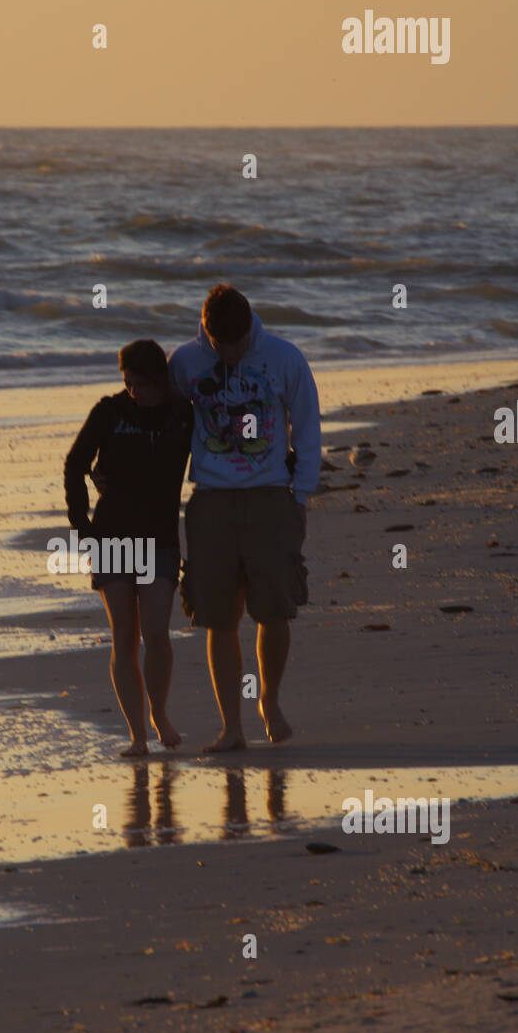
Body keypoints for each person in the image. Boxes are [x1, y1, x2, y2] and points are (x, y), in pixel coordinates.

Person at [168, 283, 321, 750]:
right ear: (207, 332)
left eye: (236, 344)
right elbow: (169, 431)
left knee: (274, 611)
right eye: (220, 345)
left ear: (249, 327)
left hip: (271, 496)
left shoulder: (283, 357)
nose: (229, 352)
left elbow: (308, 425)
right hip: (211, 498)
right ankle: (231, 726)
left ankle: (269, 700)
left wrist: (302, 496)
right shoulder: (186, 362)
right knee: (219, 618)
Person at [64, 340, 193, 756]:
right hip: (112, 537)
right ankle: (137, 735)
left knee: (157, 634)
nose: (134, 392)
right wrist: (81, 523)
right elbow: (74, 464)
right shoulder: (109, 411)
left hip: (159, 538)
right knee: (124, 637)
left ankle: (160, 715)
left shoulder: (181, 414)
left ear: (161, 380)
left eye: (141, 384)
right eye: (128, 383)